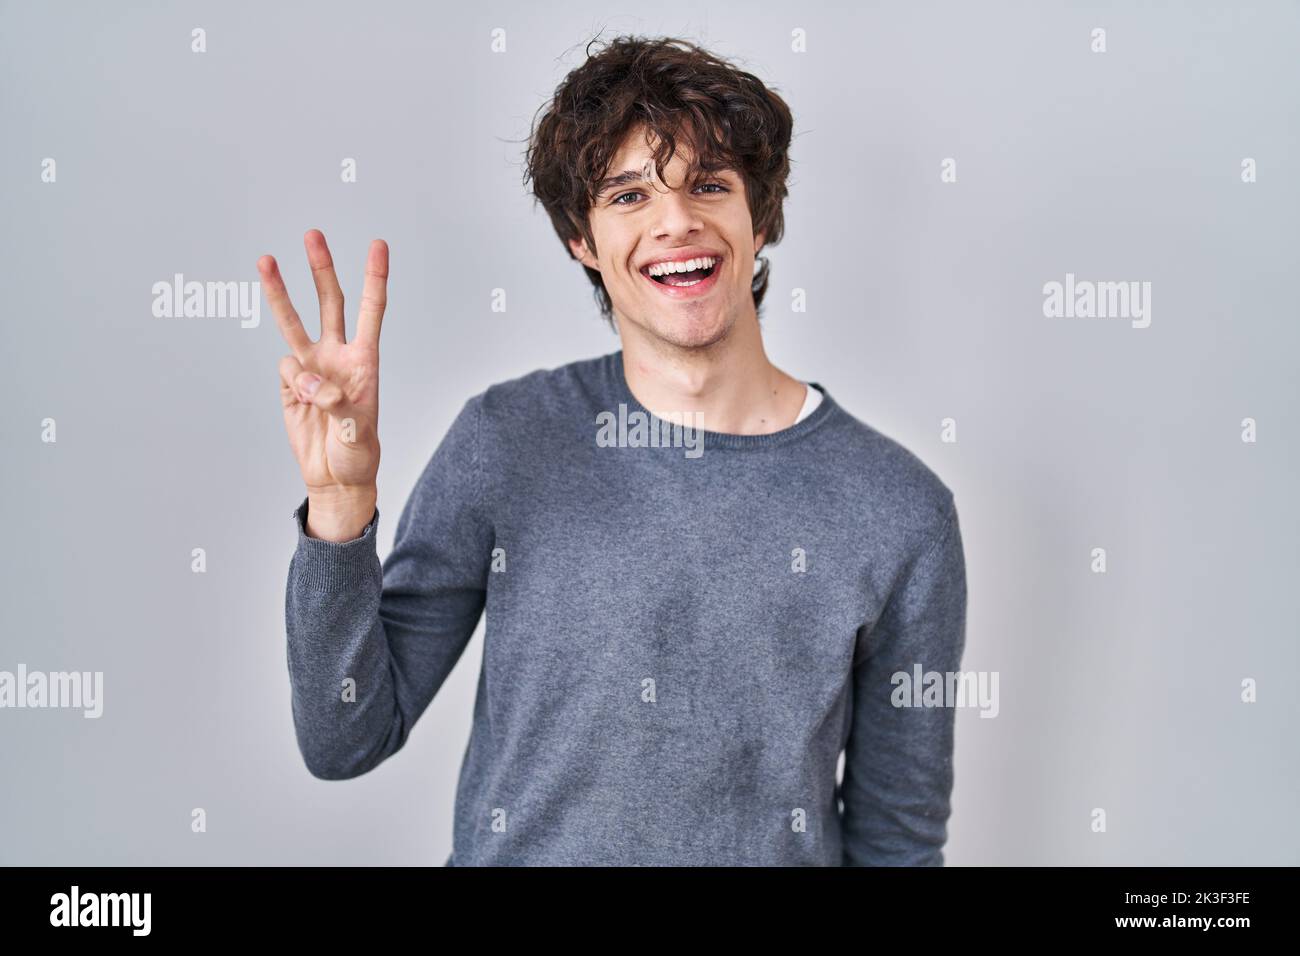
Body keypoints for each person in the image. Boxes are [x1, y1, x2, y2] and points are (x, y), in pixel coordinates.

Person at [259, 35, 967, 866]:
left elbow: (898, 839)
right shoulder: (506, 440)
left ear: (761, 216)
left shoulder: (901, 510)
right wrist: (341, 512)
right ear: (581, 241)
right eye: (628, 195)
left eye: (709, 184)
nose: (676, 222)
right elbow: (344, 739)